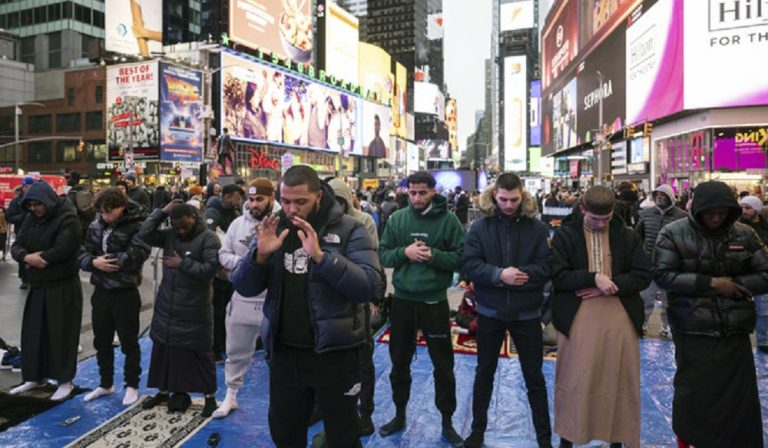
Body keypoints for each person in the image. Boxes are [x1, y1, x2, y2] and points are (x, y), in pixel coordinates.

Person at [231, 165, 381, 447]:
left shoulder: (351, 229)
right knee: (285, 433)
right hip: (286, 354)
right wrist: (259, 257)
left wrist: (323, 258)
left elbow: (370, 286)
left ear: (319, 197)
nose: (292, 209)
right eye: (286, 201)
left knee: (343, 436)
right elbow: (243, 286)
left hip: (336, 354)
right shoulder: (274, 226)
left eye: (301, 201)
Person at [654, 181, 768, 447]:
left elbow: (765, 273)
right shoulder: (673, 233)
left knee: (738, 400)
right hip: (692, 329)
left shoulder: (744, 234)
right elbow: (662, 275)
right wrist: (711, 284)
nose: (716, 218)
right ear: (698, 211)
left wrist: (734, 285)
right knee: (694, 396)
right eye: (710, 213)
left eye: (721, 213)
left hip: (734, 330)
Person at [551, 185, 652, 448]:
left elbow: (642, 275)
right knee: (576, 380)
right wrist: (593, 278)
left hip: (619, 316)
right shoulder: (566, 235)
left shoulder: (627, 236)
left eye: (606, 219)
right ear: (583, 209)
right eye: (595, 219)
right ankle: (569, 438)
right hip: (576, 317)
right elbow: (558, 276)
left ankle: (616, 439)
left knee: (619, 383)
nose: (601, 224)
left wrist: (611, 286)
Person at [461, 173, 553, 448]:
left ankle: (544, 439)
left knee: (534, 377)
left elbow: (547, 266)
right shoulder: (480, 228)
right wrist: (500, 275)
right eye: (503, 199)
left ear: (522, 195)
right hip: (491, 311)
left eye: (514, 200)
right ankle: (477, 431)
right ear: (494, 195)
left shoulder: (537, 229)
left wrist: (518, 275)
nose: (509, 205)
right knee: (484, 373)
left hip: (527, 313)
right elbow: (469, 265)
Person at [378, 171, 465, 446]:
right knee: (398, 362)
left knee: (443, 365)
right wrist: (405, 253)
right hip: (403, 301)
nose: (416, 198)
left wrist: (433, 256)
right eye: (412, 192)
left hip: (435, 302)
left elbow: (461, 258)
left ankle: (447, 421)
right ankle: (399, 414)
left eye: (422, 193)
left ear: (433, 191)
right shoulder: (398, 219)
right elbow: (383, 254)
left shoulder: (449, 221)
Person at [138, 202, 221, 417]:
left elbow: (210, 270)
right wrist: (161, 211)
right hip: (167, 305)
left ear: (194, 217)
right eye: (177, 227)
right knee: (163, 351)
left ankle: (209, 397)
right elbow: (144, 233)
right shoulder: (169, 235)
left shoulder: (209, 238)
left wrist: (181, 263)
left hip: (195, 307)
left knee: (200, 352)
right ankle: (164, 391)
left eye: (185, 226)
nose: (181, 231)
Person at [10, 181, 84, 401]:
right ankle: (34, 376)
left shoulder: (68, 218)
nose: (34, 209)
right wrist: (26, 257)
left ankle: (65, 381)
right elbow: (17, 245)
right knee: (33, 333)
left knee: (62, 334)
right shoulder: (31, 218)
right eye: (30, 205)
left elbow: (63, 249)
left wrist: (40, 258)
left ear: (48, 201)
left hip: (62, 285)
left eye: (37, 204)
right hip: (38, 284)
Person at [213, 178, 280, 418]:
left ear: (271, 197)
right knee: (236, 350)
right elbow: (223, 254)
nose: (254, 204)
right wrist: (246, 264)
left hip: (273, 298)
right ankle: (230, 395)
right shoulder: (237, 224)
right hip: (243, 296)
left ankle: (283, 400)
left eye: (259, 199)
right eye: (250, 199)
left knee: (280, 353)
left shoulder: (283, 222)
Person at [78, 187, 150, 406]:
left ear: (121, 207)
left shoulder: (138, 225)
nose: (104, 216)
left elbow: (137, 255)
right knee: (101, 340)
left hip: (125, 292)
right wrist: (93, 262)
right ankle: (105, 383)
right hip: (101, 291)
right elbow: (82, 252)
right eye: (101, 212)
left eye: (108, 211)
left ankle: (132, 385)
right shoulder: (95, 225)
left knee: (129, 342)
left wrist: (105, 262)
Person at [328, 178, 384, 436]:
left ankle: (365, 411)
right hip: (331, 303)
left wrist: (374, 297)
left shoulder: (363, 221)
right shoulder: (321, 222)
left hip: (357, 301)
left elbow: (373, 263)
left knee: (363, 361)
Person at [634, 184, 687, 338]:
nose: (659, 197)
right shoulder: (646, 214)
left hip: (671, 266)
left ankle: (667, 326)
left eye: (663, 195)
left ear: (670, 197)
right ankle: (641, 324)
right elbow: (637, 237)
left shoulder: (682, 216)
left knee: (669, 301)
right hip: (649, 265)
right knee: (645, 298)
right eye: (657, 194)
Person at [205, 184, 244, 362]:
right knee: (218, 312)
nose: (239, 201)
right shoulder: (213, 214)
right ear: (227, 196)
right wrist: (218, 266)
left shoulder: (235, 214)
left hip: (231, 269)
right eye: (237, 198)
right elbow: (210, 242)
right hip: (219, 272)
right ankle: (215, 347)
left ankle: (227, 344)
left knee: (230, 312)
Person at [739, 195, 768, 353]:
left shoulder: (764, 227)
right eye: (742, 207)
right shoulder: (737, 227)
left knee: (763, 310)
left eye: (748, 208)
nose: (744, 211)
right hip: (741, 273)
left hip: (761, 274)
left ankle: (763, 340)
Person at [7, 177, 36, 289]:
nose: (29, 189)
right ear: (23, 187)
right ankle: (24, 279)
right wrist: (23, 217)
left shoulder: (36, 199)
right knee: (23, 255)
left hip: (36, 232)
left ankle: (34, 278)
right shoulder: (16, 201)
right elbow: (10, 217)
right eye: (27, 187)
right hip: (21, 232)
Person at [65, 171, 96, 243]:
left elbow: (69, 209)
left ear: (74, 179)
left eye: (69, 178)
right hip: (85, 224)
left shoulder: (74, 192)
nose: (67, 180)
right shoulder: (85, 190)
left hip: (78, 226)